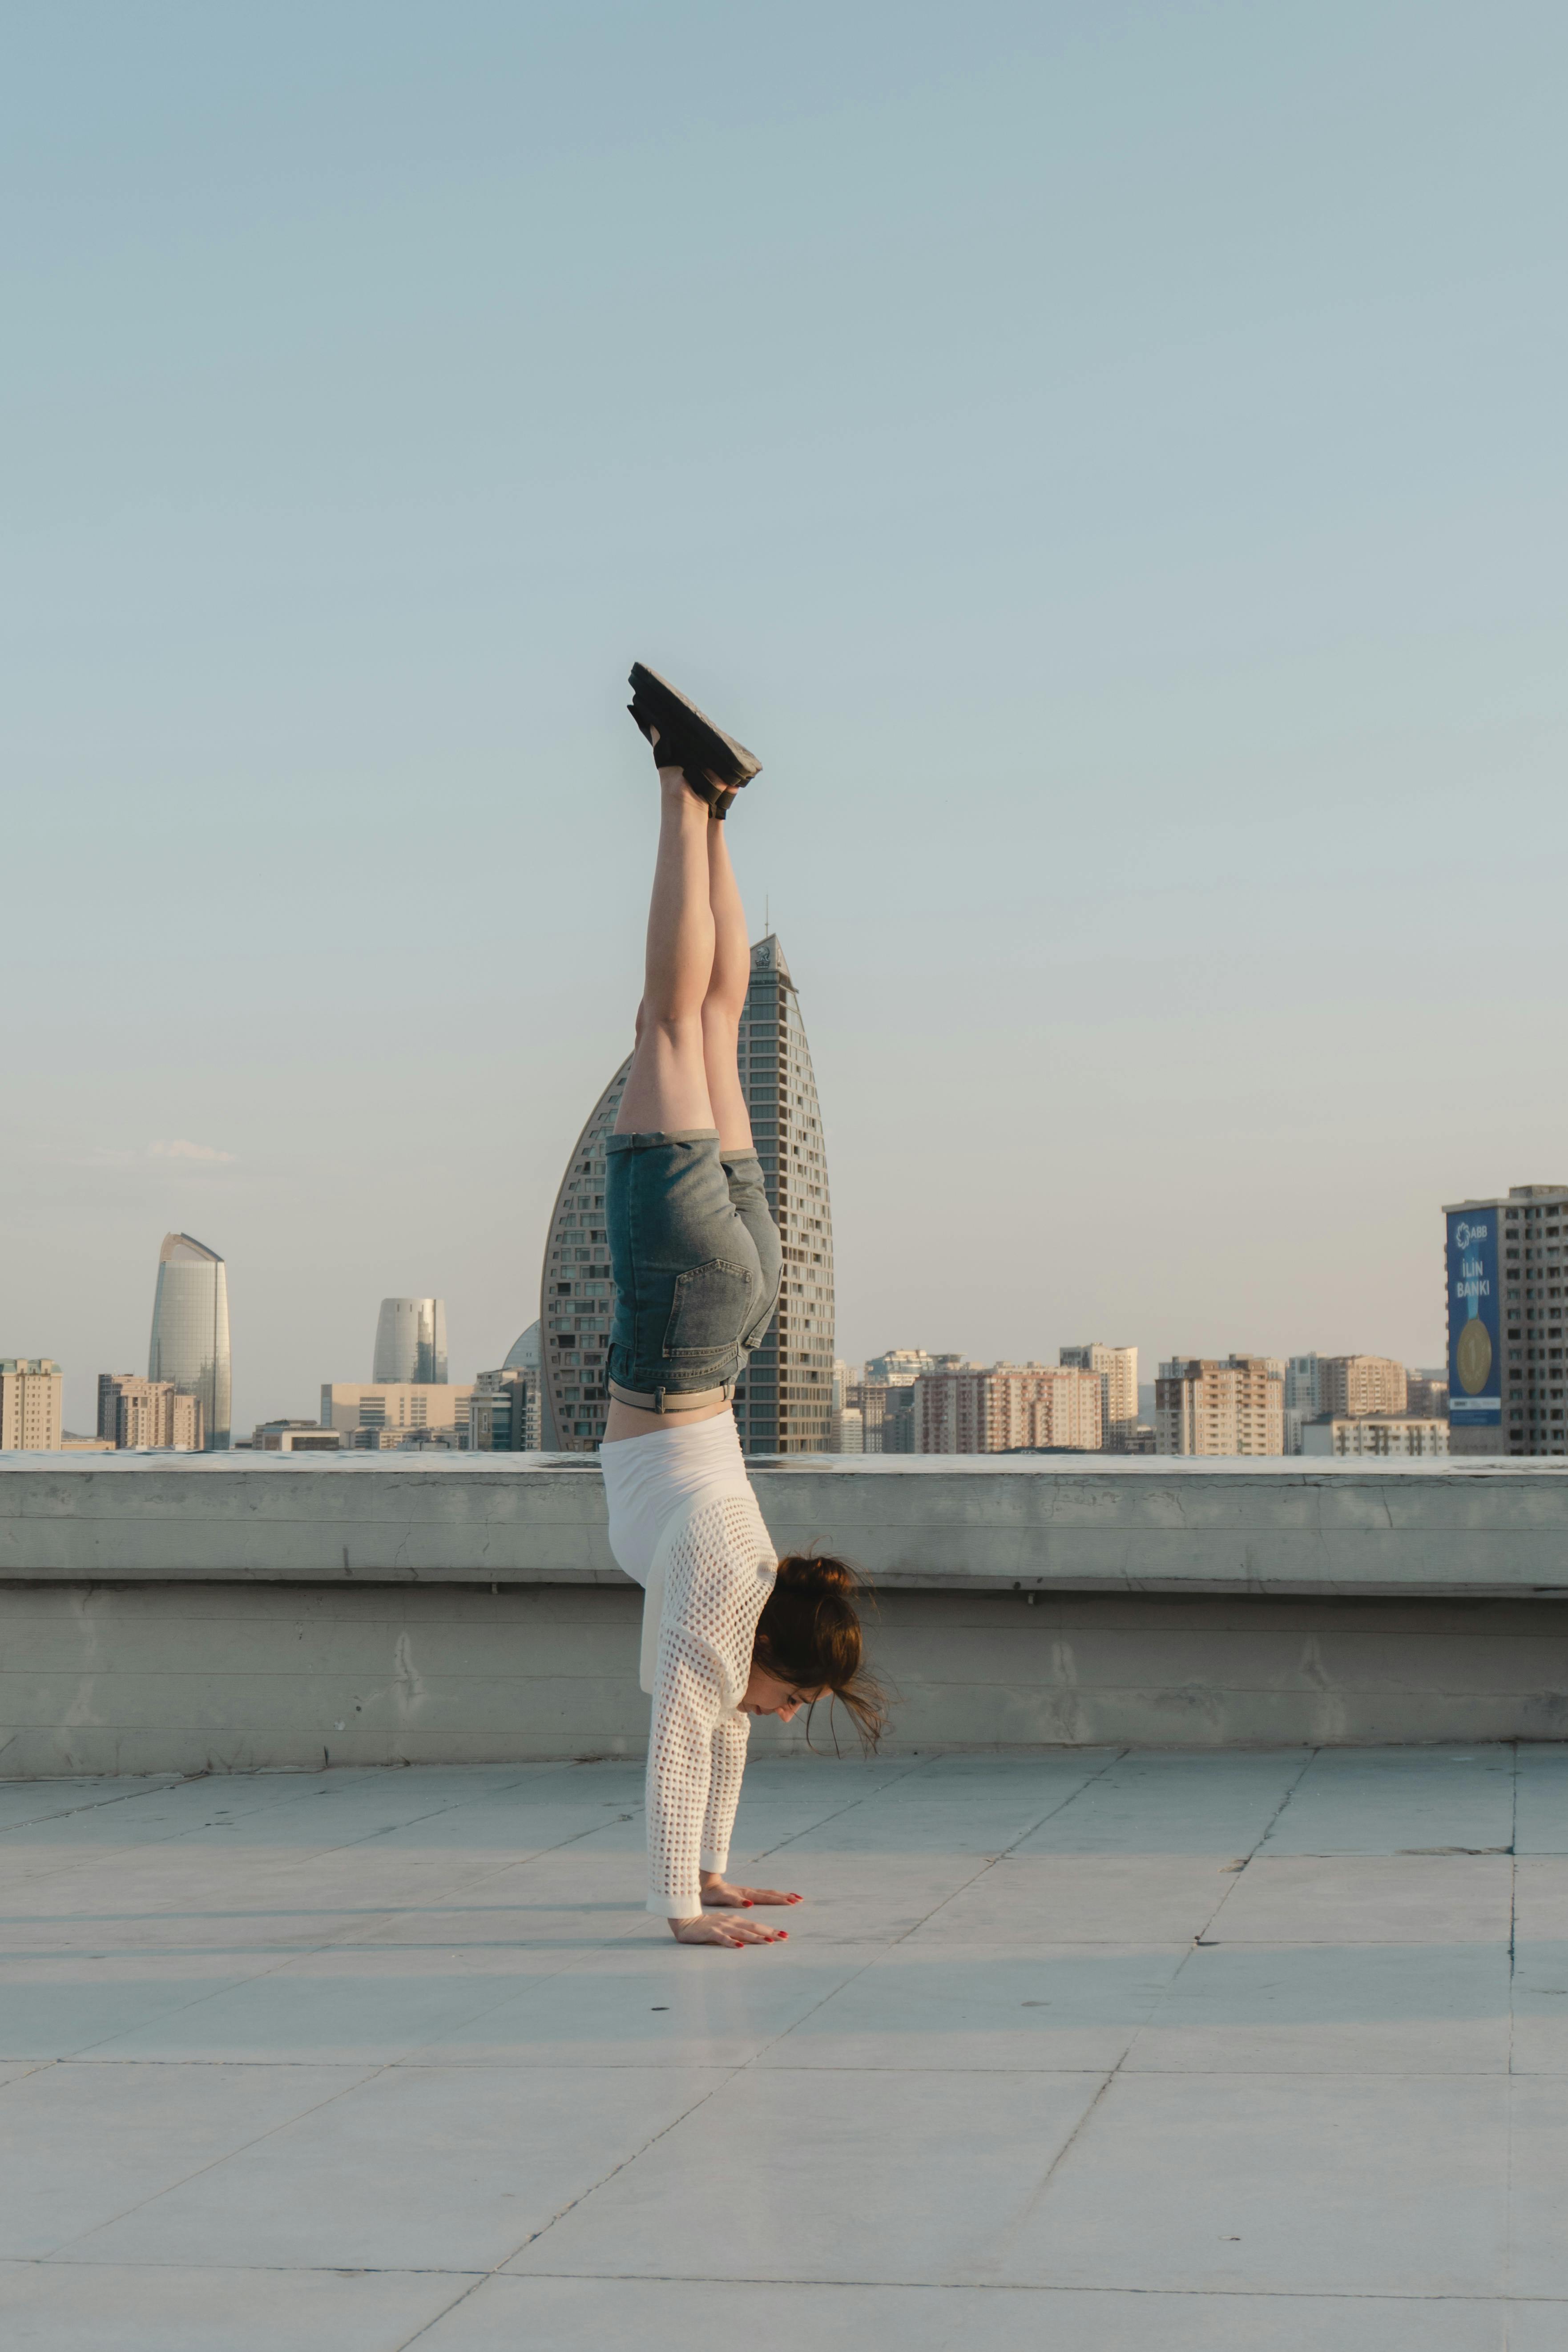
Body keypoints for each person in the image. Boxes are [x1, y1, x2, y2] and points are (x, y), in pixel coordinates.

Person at [599, 665, 885, 1949]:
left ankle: (713, 800)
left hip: (733, 1308)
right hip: (686, 1316)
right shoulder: (724, 1582)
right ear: (765, 1640)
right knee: (675, 1022)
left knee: (712, 1026)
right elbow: (684, 1738)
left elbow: (709, 1734)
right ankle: (679, 785)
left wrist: (710, 1877)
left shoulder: (743, 1578)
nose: (779, 1717)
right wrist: (678, 1910)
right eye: (794, 1699)